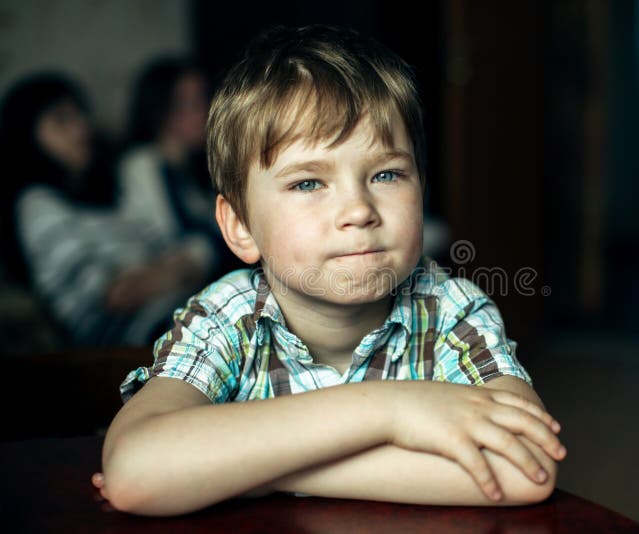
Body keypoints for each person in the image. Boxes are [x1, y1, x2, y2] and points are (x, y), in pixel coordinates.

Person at [93, 26, 567, 516]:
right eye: (308, 183)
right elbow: (135, 470)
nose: (359, 209)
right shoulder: (223, 319)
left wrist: (257, 468)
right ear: (240, 227)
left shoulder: (454, 312)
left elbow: (525, 468)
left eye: (386, 175)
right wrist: (389, 411)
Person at [2, 73, 206, 346]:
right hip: (134, 341)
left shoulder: (99, 201)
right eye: (62, 121)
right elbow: (113, 296)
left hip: (173, 318)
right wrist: (188, 264)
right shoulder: (36, 204)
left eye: (80, 115)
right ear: (28, 135)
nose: (81, 129)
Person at [115, 58, 226, 286]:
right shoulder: (142, 164)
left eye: (205, 99)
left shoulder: (193, 169)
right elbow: (169, 240)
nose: (205, 112)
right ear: (162, 111)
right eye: (191, 103)